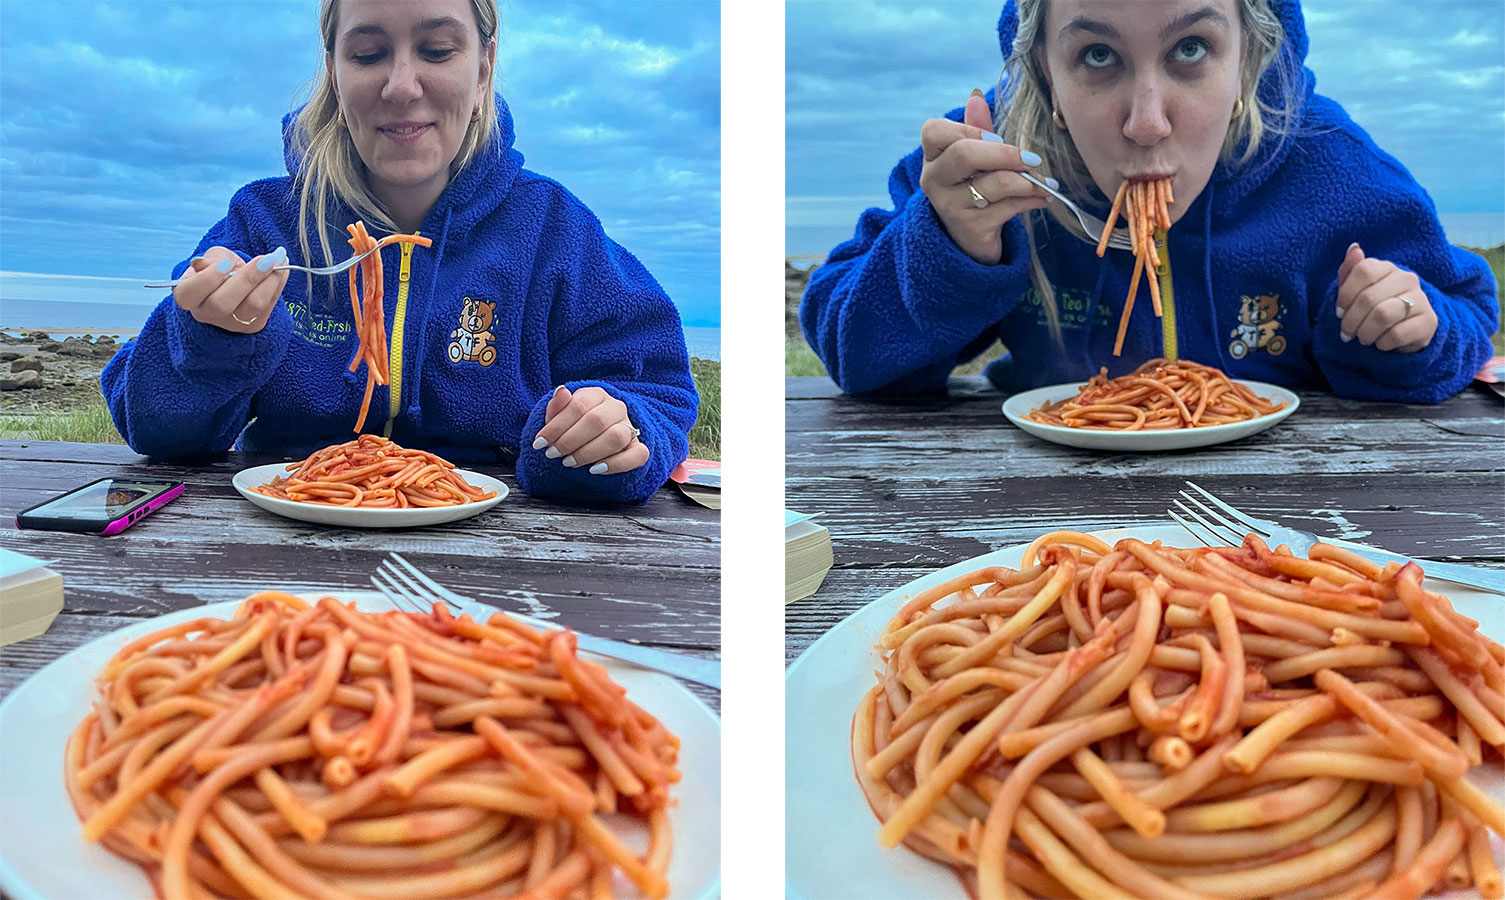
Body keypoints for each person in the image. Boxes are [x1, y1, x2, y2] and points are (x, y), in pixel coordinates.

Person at [103, 0, 698, 505]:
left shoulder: (554, 231)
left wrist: (609, 429)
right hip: (283, 535)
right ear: (334, 72)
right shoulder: (264, 225)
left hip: (509, 557)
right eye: (367, 55)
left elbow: (659, 395)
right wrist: (211, 339)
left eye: (438, 50)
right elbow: (154, 429)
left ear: (484, 68)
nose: (402, 86)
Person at [800, 0, 1497, 404]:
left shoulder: (1335, 168)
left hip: (1289, 520)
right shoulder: (986, 162)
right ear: (1044, 66)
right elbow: (851, 356)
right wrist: (951, 245)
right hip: (1035, 512)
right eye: (1097, 56)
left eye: (1190, 48)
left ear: (1247, 55)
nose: (1146, 123)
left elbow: (1465, 321)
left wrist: (1404, 330)